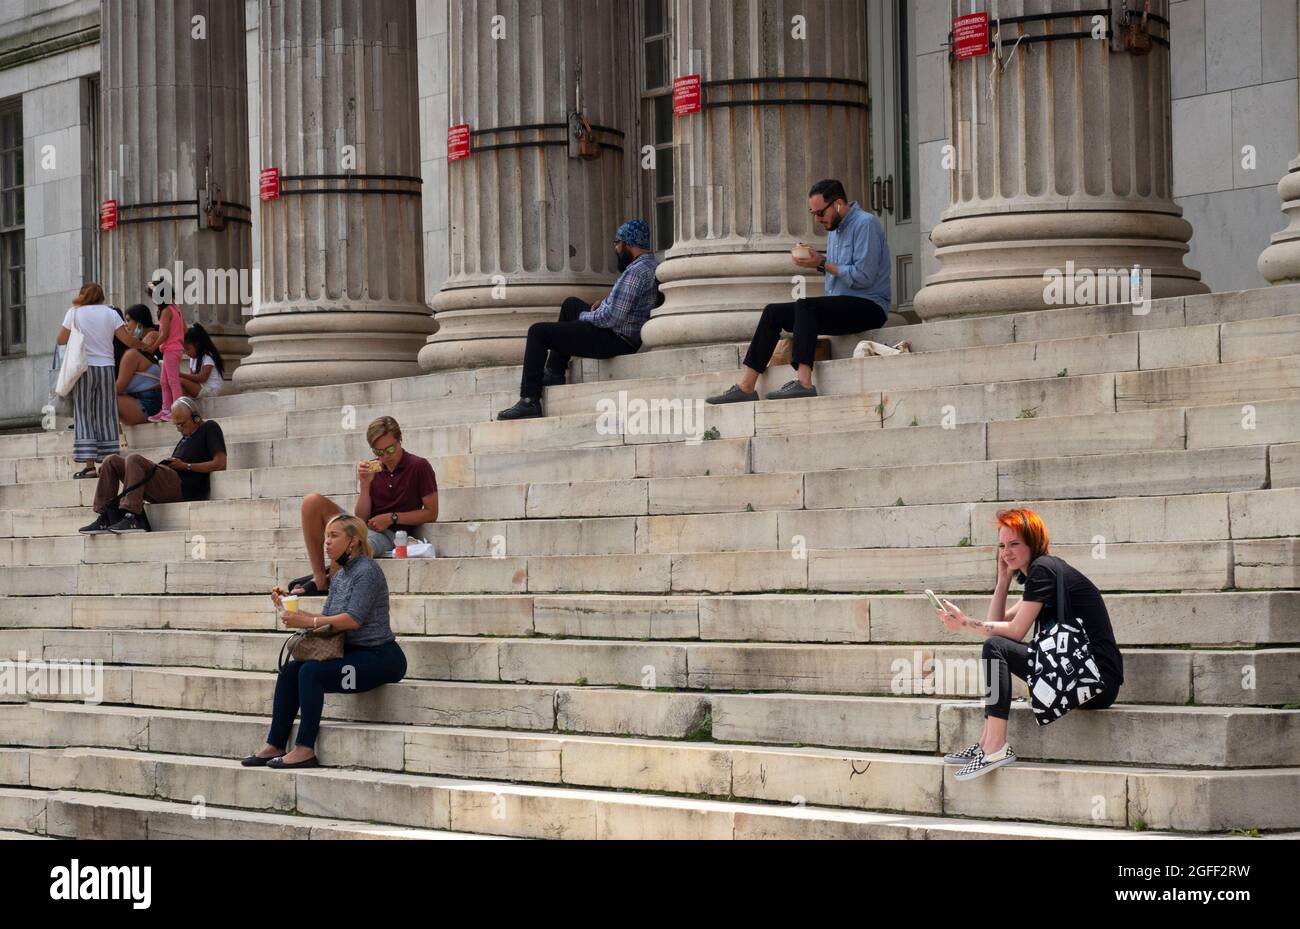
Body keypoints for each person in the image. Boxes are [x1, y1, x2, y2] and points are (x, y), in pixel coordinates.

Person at [934, 508, 1125, 781]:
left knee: (996, 648)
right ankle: (987, 742)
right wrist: (1002, 582)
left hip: (1095, 682)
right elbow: (996, 626)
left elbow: (1013, 631)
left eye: (1014, 544)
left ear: (1032, 544)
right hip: (1076, 676)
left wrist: (965, 623)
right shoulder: (1042, 576)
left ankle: (996, 747)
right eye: (1002, 545)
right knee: (995, 646)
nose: (1006, 552)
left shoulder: (1043, 569)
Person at [243, 514, 408, 769]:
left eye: (334, 536)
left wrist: (306, 622)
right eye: (326, 536)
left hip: (381, 657)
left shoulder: (368, 571)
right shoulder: (340, 576)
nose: (327, 543)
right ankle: (275, 744)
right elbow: (327, 618)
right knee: (290, 671)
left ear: (352, 541)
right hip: (349, 652)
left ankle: (305, 749)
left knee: (311, 673)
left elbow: (353, 620)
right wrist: (293, 613)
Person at [707, 179, 891, 404]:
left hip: (869, 307)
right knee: (773, 312)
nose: (817, 219)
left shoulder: (866, 224)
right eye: (813, 213)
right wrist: (817, 259)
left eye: (820, 212)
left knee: (806, 305)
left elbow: (864, 276)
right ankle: (746, 386)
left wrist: (821, 264)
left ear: (838, 204)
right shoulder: (834, 229)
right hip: (843, 306)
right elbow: (837, 274)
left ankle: (804, 383)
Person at [497, 219, 659, 420]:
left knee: (538, 332)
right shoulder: (647, 265)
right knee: (570, 304)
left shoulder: (636, 272)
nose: (616, 248)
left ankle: (529, 400)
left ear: (629, 244)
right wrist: (605, 302)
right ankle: (555, 372)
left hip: (614, 339)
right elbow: (620, 306)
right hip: (619, 332)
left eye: (617, 243)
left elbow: (612, 317)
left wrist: (586, 316)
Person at [289, 416, 438, 596]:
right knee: (311, 502)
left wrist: (392, 517)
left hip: (393, 533)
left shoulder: (418, 466)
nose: (386, 456)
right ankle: (320, 578)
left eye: (390, 449)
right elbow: (360, 518)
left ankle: (332, 581)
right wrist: (365, 485)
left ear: (400, 440)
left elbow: (431, 513)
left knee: (352, 541)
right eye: (379, 451)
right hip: (366, 525)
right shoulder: (373, 468)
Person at [78, 397, 228, 534]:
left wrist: (186, 466)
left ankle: (133, 517)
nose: (179, 429)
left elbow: (220, 463)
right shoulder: (185, 437)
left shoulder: (209, 427)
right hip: (168, 480)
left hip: (182, 485)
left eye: (182, 424)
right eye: (176, 425)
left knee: (134, 459)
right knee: (110, 461)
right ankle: (104, 517)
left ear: (196, 417)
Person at [57, 285, 134, 479]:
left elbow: (61, 339)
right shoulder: (110, 313)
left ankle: (89, 465)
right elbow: (128, 340)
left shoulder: (74, 312)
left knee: (84, 413)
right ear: (101, 296)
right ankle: (109, 463)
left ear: (83, 295)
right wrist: (146, 345)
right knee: (106, 413)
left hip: (83, 368)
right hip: (107, 368)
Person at [114, 305, 163, 427]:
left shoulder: (134, 353)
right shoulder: (131, 353)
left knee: (104, 398)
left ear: (139, 321)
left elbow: (118, 388)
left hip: (148, 403)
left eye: (128, 320)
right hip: (149, 400)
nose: (126, 326)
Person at [147, 275, 186, 423]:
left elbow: (164, 334)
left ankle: (178, 410)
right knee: (164, 381)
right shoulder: (176, 308)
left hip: (170, 349)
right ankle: (166, 409)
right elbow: (185, 328)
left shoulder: (166, 311)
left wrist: (152, 347)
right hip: (174, 348)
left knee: (172, 381)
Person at [180, 323, 226, 399]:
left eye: (188, 349)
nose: (186, 353)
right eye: (185, 350)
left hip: (210, 390)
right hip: (200, 387)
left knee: (180, 381)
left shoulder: (208, 357)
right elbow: (192, 377)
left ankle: (180, 405)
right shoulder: (192, 359)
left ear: (197, 345)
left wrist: (181, 375)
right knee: (178, 383)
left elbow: (202, 378)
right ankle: (179, 406)